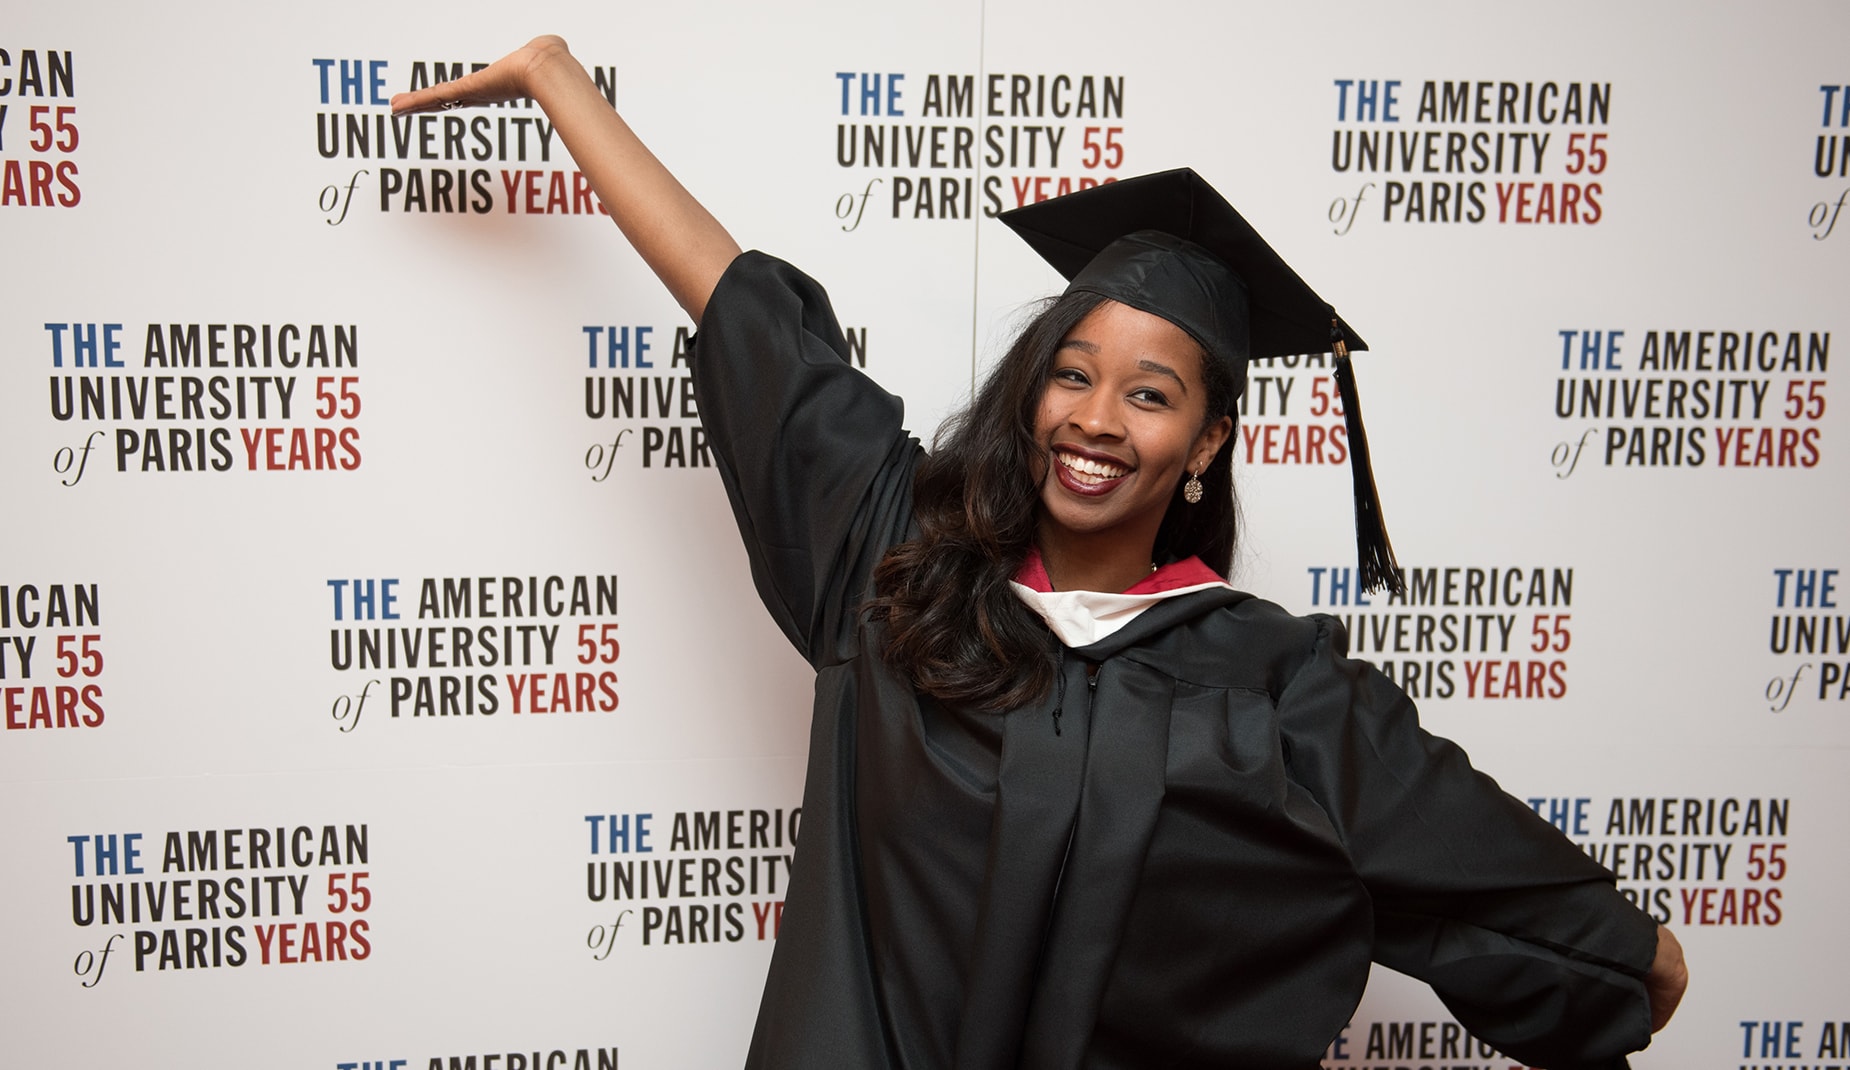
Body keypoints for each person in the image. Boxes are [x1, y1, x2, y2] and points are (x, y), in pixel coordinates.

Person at [395, 36, 1688, 1070]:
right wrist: (563, 87)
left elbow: (1548, 923)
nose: (1093, 418)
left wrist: (1626, 957)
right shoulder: (894, 565)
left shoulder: (1277, 686)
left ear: (1203, 442)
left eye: (1148, 393)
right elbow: (750, 323)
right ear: (1029, 395)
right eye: (1071, 373)